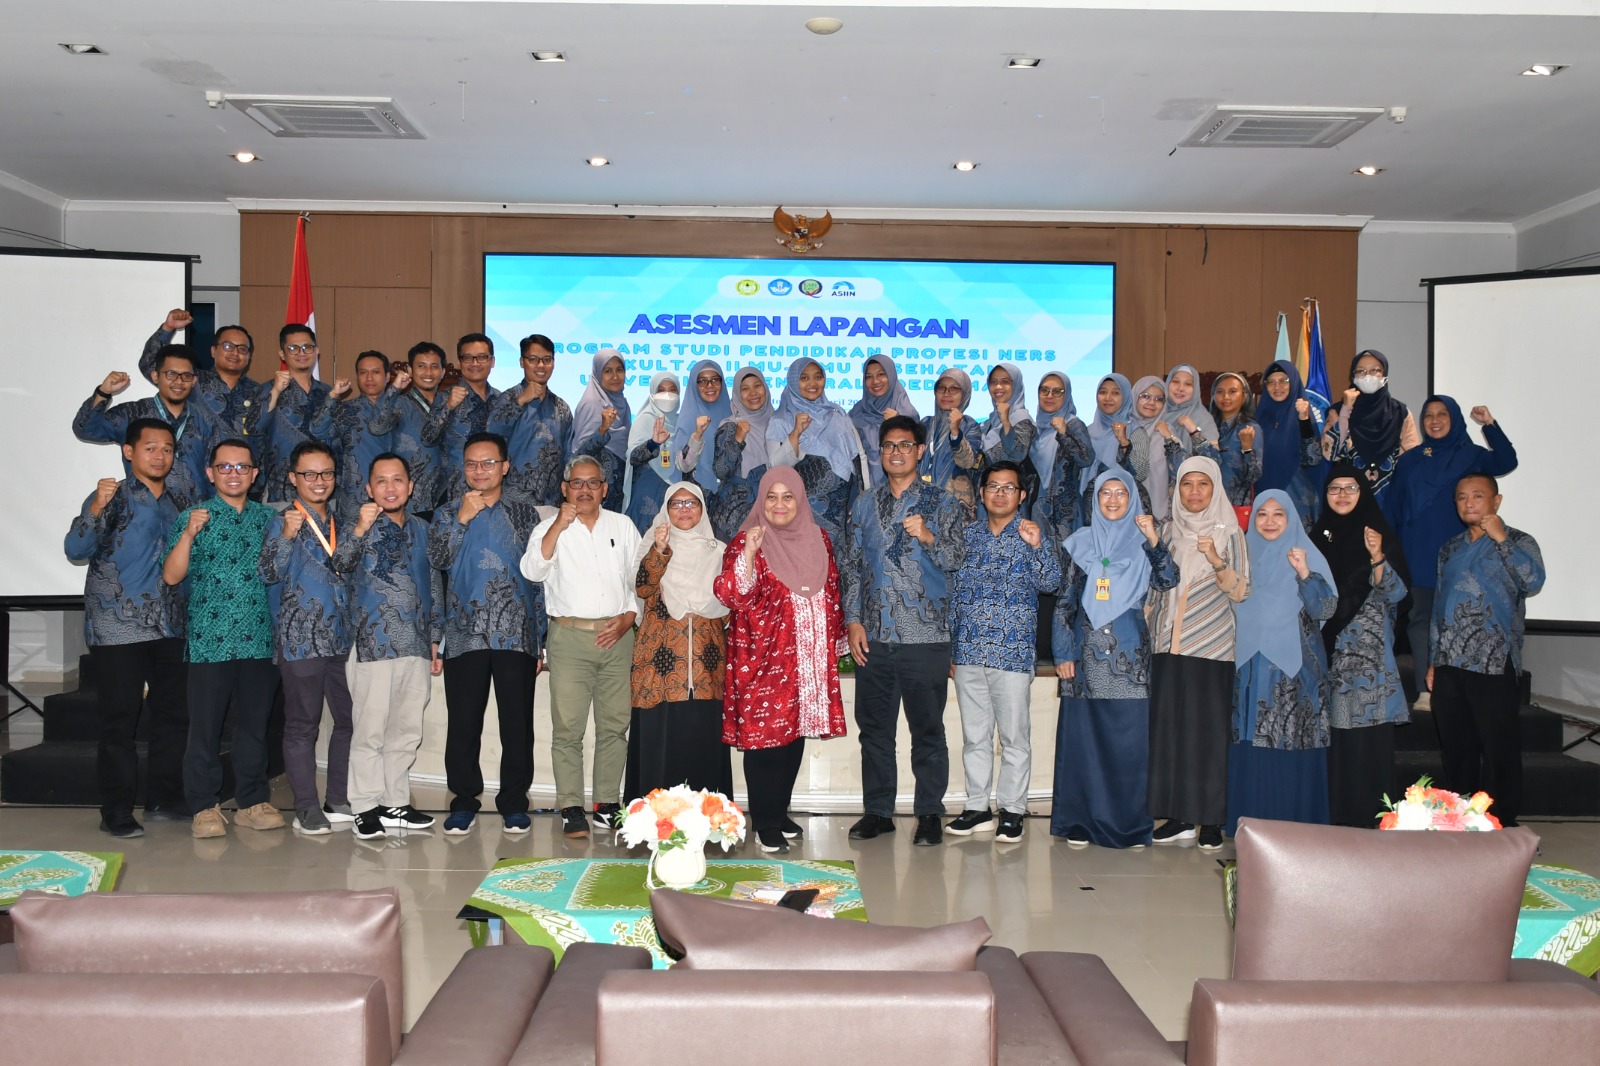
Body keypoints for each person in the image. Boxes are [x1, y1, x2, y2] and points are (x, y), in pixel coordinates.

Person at [841, 415, 966, 847]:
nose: (897, 452)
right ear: (880, 453)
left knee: (927, 729)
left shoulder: (941, 503)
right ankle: (878, 811)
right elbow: (853, 566)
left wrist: (930, 536)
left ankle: (930, 812)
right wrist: (852, 620)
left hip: (926, 636)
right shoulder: (863, 503)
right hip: (874, 634)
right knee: (874, 730)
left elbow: (957, 561)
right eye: (889, 446)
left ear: (918, 451)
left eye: (905, 445)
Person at [714, 467, 848, 853]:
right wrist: (752, 552)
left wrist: (831, 644)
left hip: (806, 659)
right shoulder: (746, 540)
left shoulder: (819, 538)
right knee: (764, 742)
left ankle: (780, 810)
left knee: (792, 736)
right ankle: (765, 822)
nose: (779, 504)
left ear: (800, 499)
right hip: (761, 660)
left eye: (787, 496)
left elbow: (832, 588)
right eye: (770, 497)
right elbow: (730, 594)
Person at [64, 419, 187, 838]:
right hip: (117, 627)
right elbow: (75, 549)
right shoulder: (111, 496)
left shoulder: (178, 502)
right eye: (151, 447)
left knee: (173, 716)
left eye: (168, 448)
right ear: (129, 452)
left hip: (170, 623)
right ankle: (115, 811)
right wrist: (95, 508)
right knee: (120, 721)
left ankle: (164, 798)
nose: (160, 456)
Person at [160, 439, 282, 839]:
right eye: (225, 467)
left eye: (242, 467)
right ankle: (204, 806)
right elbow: (172, 576)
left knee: (253, 727)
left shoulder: (269, 519)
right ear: (211, 473)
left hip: (259, 640)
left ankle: (251, 800)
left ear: (254, 474)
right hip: (210, 640)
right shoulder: (195, 516)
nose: (234, 474)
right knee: (205, 728)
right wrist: (189, 535)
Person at [1052, 468, 1176, 849]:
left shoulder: (1144, 541)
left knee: (1128, 745)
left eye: (1121, 493)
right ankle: (1079, 824)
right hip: (1084, 657)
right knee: (1084, 743)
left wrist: (1155, 540)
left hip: (1129, 657)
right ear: (1095, 499)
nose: (1112, 499)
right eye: (1105, 492)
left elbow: (1168, 579)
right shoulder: (1079, 543)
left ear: (1133, 499)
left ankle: (1129, 825)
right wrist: (1062, 651)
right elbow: (1065, 603)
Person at [428, 432, 545, 836]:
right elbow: (437, 563)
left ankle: (514, 802)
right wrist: (461, 519)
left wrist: (541, 636)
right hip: (464, 634)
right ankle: (463, 800)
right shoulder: (446, 513)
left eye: (488, 463)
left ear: (505, 466)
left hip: (516, 634)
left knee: (517, 725)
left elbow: (539, 578)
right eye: (472, 464)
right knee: (463, 725)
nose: (480, 471)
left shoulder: (527, 514)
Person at [520, 455, 640, 839]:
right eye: (577, 483)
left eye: (593, 483)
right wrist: (560, 523)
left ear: (605, 488)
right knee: (568, 729)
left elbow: (639, 581)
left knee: (614, 726)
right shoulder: (547, 527)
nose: (585, 490)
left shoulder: (622, 526)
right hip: (569, 638)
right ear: (565, 488)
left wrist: (629, 617)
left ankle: (607, 804)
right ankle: (571, 806)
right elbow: (532, 571)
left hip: (618, 637)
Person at [946, 461, 1060, 843]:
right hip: (969, 652)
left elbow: (1052, 582)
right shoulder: (966, 535)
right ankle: (977, 807)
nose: (1000, 494)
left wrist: (1039, 545)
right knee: (975, 736)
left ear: (1021, 495)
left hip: (1011, 654)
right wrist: (953, 645)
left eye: (1008, 488)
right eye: (992, 487)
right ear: (981, 494)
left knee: (1014, 738)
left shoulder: (1031, 535)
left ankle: (1012, 810)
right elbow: (954, 595)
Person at [332, 453, 442, 842]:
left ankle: (395, 802)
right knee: (370, 731)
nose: (390, 487)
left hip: (415, 643)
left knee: (406, 730)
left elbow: (433, 585)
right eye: (382, 481)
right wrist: (360, 529)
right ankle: (364, 805)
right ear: (369, 488)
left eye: (398, 480)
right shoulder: (357, 525)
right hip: (371, 644)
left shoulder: (422, 529)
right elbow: (339, 565)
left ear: (410, 487)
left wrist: (435, 638)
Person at [1383, 396, 1517, 711]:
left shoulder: (1470, 454)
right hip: (1418, 550)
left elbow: (1506, 462)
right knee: (1420, 620)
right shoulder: (1411, 459)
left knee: (1460, 619)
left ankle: (1462, 688)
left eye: (1442, 414)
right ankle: (1426, 690)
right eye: (1428, 415)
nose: (1435, 420)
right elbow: (1394, 508)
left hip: (1464, 552)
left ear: (1454, 418)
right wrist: (1392, 550)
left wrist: (1489, 425)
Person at [1427, 474, 1544, 828]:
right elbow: (1439, 605)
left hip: (1494, 663)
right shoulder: (1451, 547)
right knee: (1457, 749)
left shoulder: (1520, 541)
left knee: (1499, 751)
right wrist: (1434, 659)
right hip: (1450, 664)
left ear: (1497, 500)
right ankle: (1461, 821)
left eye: (1478, 496)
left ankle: (1501, 824)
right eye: (1461, 497)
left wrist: (1502, 540)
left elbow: (1533, 581)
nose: (1469, 503)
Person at [1147, 455, 1251, 850]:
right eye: (1187, 484)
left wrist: (1216, 560)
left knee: (1206, 736)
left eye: (1202, 484)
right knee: (1171, 733)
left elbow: (1242, 590)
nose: (1194, 492)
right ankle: (1178, 816)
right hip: (1166, 646)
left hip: (1209, 648)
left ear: (1215, 489)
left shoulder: (1230, 533)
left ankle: (1209, 820)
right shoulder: (1167, 531)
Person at [257, 440, 356, 834]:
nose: (319, 481)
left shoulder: (343, 522)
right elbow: (267, 573)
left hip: (343, 638)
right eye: (309, 474)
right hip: (300, 640)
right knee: (302, 725)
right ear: (292, 477)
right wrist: (284, 535)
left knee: (349, 722)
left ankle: (338, 797)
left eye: (327, 473)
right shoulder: (279, 520)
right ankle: (306, 806)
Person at [1226, 490, 1337, 835]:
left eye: (1278, 514)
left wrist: (1304, 573)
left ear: (1291, 519)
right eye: (1262, 514)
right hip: (1247, 668)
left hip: (1295, 673)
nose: (1270, 522)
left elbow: (1325, 610)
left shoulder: (1307, 556)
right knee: (1251, 745)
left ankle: (1295, 826)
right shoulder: (1240, 558)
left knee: (1290, 742)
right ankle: (1252, 827)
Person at [1312, 464, 1411, 827]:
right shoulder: (1316, 538)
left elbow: (1399, 594)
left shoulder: (1378, 533)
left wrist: (1377, 558)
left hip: (1367, 657)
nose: (1341, 495)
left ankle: (1374, 822)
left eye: (1350, 488)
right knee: (1336, 742)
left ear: (1363, 492)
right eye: (1334, 488)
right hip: (1326, 654)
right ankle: (1338, 820)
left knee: (1368, 744)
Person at [626, 482, 733, 800]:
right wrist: (659, 551)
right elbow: (643, 588)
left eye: (691, 503)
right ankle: (653, 819)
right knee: (662, 740)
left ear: (702, 509)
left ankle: (707, 819)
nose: (684, 510)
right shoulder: (653, 543)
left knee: (701, 741)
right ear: (666, 510)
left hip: (705, 665)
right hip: (659, 666)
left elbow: (729, 605)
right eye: (676, 504)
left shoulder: (720, 551)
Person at [75, 344, 220, 509]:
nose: (178, 381)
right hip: (142, 517)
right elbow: (85, 429)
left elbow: (215, 472)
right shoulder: (132, 413)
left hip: (194, 518)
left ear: (194, 380)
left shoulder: (206, 420)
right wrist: (103, 392)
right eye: (171, 374)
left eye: (186, 375)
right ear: (155, 376)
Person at [766, 356, 863, 536]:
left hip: (842, 514)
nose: (813, 383)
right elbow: (775, 468)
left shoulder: (837, 413)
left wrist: (860, 499)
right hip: (802, 516)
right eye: (804, 378)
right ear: (794, 382)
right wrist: (795, 433)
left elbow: (857, 458)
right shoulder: (780, 420)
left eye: (818, 377)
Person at [137, 309, 264, 440]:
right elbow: (149, 363)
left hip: (240, 460)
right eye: (228, 346)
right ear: (213, 351)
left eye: (242, 349)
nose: (235, 353)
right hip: (196, 458)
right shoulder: (192, 380)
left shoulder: (258, 392)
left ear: (249, 356)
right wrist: (168, 328)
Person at [1320, 350, 1419, 503]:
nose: (1368, 376)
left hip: (1391, 499)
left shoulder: (1401, 413)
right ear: (1353, 376)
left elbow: (1413, 461)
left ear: (1384, 374)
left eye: (1375, 370)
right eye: (1361, 371)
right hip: (1348, 501)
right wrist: (1346, 410)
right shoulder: (1338, 411)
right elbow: (1330, 453)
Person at [326, 351, 407, 528]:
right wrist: (332, 396)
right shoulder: (345, 410)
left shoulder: (404, 407)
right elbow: (317, 432)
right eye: (363, 372)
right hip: (355, 497)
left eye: (375, 372)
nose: (369, 378)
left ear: (387, 376)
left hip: (397, 495)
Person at [495, 333, 573, 507]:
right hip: (514, 501)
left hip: (552, 502)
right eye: (533, 359)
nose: (541, 365)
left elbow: (569, 456)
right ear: (522, 362)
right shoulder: (507, 399)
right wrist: (521, 401)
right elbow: (493, 437)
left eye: (547, 359)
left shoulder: (561, 407)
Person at [259, 323, 334, 502]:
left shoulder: (328, 392)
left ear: (317, 351)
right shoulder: (268, 390)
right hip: (281, 489)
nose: (301, 353)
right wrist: (276, 392)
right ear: (282, 354)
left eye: (307, 347)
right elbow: (254, 428)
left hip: (323, 488)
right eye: (293, 348)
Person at [1254, 359, 1325, 526]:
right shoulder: (1259, 418)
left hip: (1297, 496)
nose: (1277, 386)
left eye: (1283, 381)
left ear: (1293, 383)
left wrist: (1304, 420)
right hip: (1265, 495)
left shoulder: (1305, 417)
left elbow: (1313, 460)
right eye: (1271, 382)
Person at [708, 366, 774, 541]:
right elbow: (720, 471)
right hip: (734, 518)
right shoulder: (730, 426)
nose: (753, 393)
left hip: (772, 513)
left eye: (757, 386)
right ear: (737, 394)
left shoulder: (778, 423)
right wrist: (737, 440)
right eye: (745, 389)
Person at [1030, 371, 1093, 543]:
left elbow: (1086, 458)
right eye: (1045, 390)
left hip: (1064, 514)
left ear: (1067, 395)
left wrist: (1064, 433)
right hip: (1036, 509)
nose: (1050, 396)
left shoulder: (1073, 424)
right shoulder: (1036, 428)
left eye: (1057, 391)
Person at [440, 333, 503, 500]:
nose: (475, 363)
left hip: (496, 493)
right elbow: (427, 438)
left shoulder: (502, 400)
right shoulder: (445, 397)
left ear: (492, 361)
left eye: (482, 357)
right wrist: (448, 407)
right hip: (458, 492)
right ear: (460, 362)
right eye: (468, 358)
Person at [569, 349, 632, 512]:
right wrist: (602, 430)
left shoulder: (621, 403)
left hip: (615, 492)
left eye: (619, 370)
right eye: (607, 371)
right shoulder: (591, 403)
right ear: (598, 374)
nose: (615, 376)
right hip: (593, 494)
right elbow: (579, 455)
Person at [919, 368, 984, 519]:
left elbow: (967, 462)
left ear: (965, 393)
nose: (946, 393)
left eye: (954, 389)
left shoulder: (970, 426)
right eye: (941, 388)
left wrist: (955, 432)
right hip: (921, 504)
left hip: (955, 509)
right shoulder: (926, 424)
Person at [396, 341, 450, 514]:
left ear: (443, 372)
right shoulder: (398, 405)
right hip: (413, 499)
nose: (428, 372)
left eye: (434, 366)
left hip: (449, 497)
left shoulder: (452, 403)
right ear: (410, 370)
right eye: (421, 366)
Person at [625, 371, 682, 532]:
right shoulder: (645, 419)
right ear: (652, 393)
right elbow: (633, 458)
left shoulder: (681, 422)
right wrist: (653, 443)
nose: (668, 394)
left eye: (672, 389)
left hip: (674, 495)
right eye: (661, 390)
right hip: (647, 495)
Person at [850, 355, 919, 486]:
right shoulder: (857, 412)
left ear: (891, 376)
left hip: (902, 489)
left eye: (881, 374)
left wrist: (898, 423)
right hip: (865, 490)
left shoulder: (907, 413)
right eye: (868, 377)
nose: (875, 381)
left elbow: (915, 454)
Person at [669, 359, 732, 497]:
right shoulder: (688, 419)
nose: (710, 385)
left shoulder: (732, 415)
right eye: (702, 381)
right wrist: (697, 435)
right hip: (698, 495)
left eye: (715, 380)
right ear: (694, 385)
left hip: (728, 495)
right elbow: (683, 465)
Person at [1202, 371, 1262, 514]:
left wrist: (1247, 449)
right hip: (1205, 504)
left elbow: (1254, 476)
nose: (1226, 397)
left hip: (1234, 507)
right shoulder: (1206, 426)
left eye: (1233, 391)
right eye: (1220, 392)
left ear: (1244, 396)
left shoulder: (1251, 429)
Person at [1117, 375, 1169, 521]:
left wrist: (1170, 439)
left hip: (1157, 512)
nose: (1151, 403)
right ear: (1135, 397)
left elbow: (1180, 470)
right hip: (1119, 509)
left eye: (1159, 399)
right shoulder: (1121, 428)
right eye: (1145, 396)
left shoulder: (1167, 432)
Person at [1082, 373, 1133, 519]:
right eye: (1102, 392)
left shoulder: (1134, 429)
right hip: (1089, 506)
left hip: (1121, 507)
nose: (1108, 398)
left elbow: (1139, 473)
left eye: (1115, 393)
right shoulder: (1087, 431)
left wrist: (1124, 442)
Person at [979, 363, 1037, 478]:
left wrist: (1006, 422)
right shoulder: (988, 423)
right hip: (988, 490)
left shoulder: (1022, 419)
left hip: (1009, 491)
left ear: (1016, 385)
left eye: (1005, 382)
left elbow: (1017, 455)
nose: (998, 387)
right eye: (993, 382)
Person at [1156, 364, 1220, 463]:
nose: (1180, 388)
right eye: (1176, 381)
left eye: (1188, 384)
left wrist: (1194, 431)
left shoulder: (1203, 418)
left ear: (1195, 389)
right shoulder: (1155, 411)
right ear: (1167, 383)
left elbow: (1214, 460)